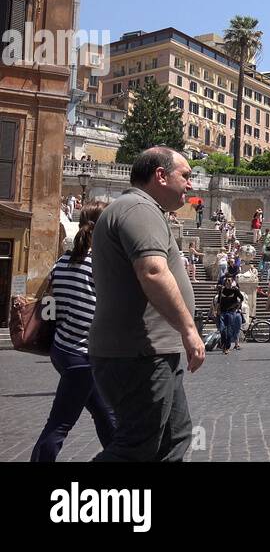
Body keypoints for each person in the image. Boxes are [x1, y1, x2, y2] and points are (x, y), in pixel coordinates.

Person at [87, 147, 205, 462]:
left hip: (148, 352)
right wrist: (189, 329)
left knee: (174, 439)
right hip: (138, 354)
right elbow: (153, 272)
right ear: (160, 176)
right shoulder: (139, 209)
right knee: (137, 447)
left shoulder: (138, 209)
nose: (190, 185)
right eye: (186, 176)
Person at [31, 202, 117, 462]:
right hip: (83, 356)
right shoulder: (100, 265)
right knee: (59, 424)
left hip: (63, 348)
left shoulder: (62, 261)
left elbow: (56, 304)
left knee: (106, 415)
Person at [214, 276, 244, 354]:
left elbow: (242, 298)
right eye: (226, 281)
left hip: (231, 312)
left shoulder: (235, 290)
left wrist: (237, 307)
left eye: (229, 281)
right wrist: (216, 310)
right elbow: (218, 301)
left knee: (229, 330)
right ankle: (224, 345)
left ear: (232, 282)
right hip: (222, 312)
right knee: (222, 329)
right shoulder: (222, 290)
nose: (228, 282)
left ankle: (226, 347)